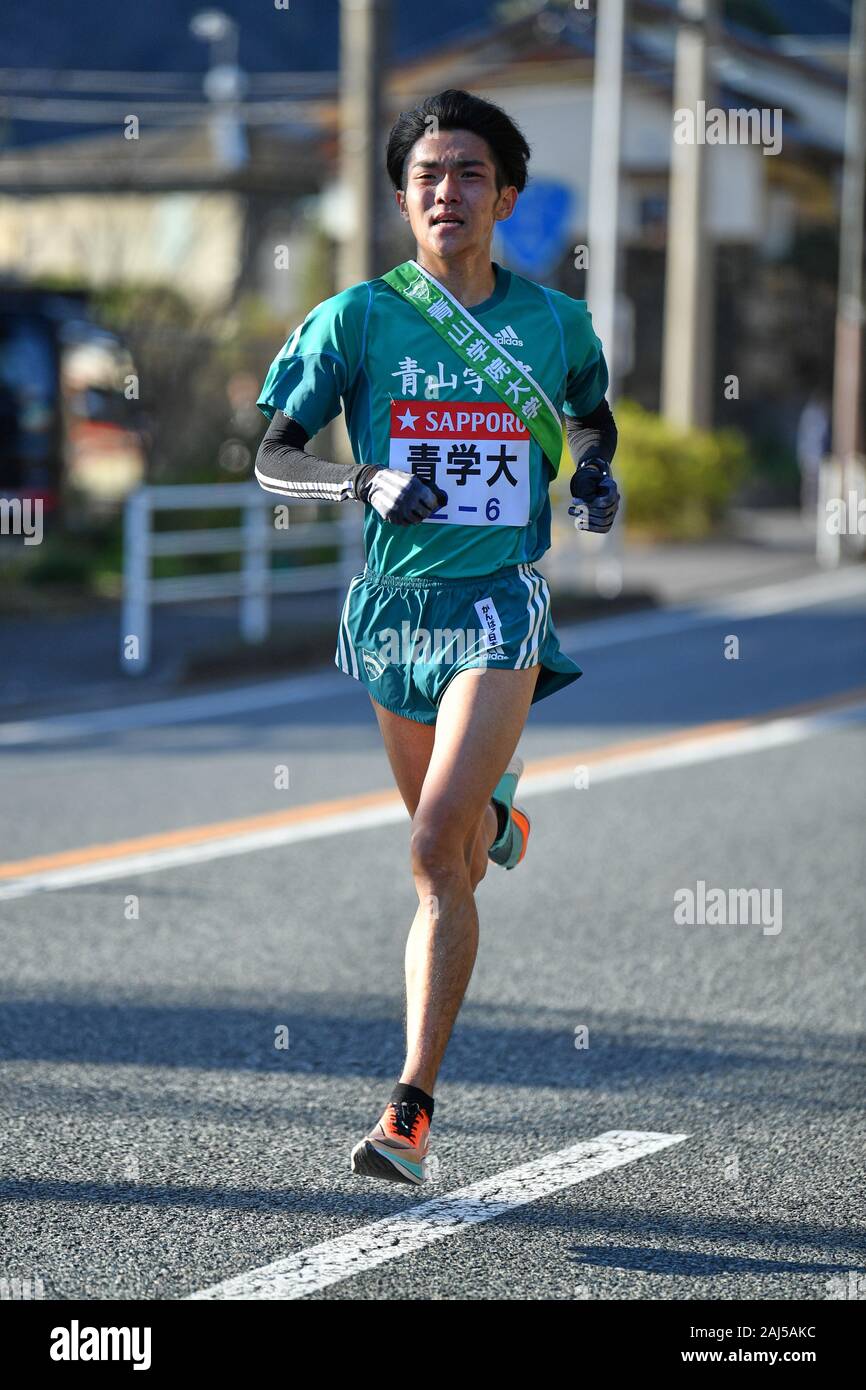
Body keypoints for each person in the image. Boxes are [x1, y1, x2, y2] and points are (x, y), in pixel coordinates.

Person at [254, 89, 620, 1185]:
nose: (444, 192)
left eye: (466, 173)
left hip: (497, 603)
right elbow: (274, 454)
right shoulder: (357, 320)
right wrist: (361, 476)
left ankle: (407, 1110)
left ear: (505, 193)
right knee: (452, 846)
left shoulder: (554, 322)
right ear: (402, 198)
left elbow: (589, 411)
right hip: (392, 612)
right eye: (424, 176)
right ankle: (497, 814)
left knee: (424, 855)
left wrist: (594, 473)